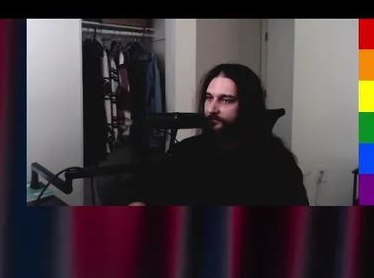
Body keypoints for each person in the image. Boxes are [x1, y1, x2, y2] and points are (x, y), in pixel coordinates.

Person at [125, 63, 309, 206]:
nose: (212, 109)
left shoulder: (277, 162)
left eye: (225, 100)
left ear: (247, 106)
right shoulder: (187, 151)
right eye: (209, 97)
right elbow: (147, 188)